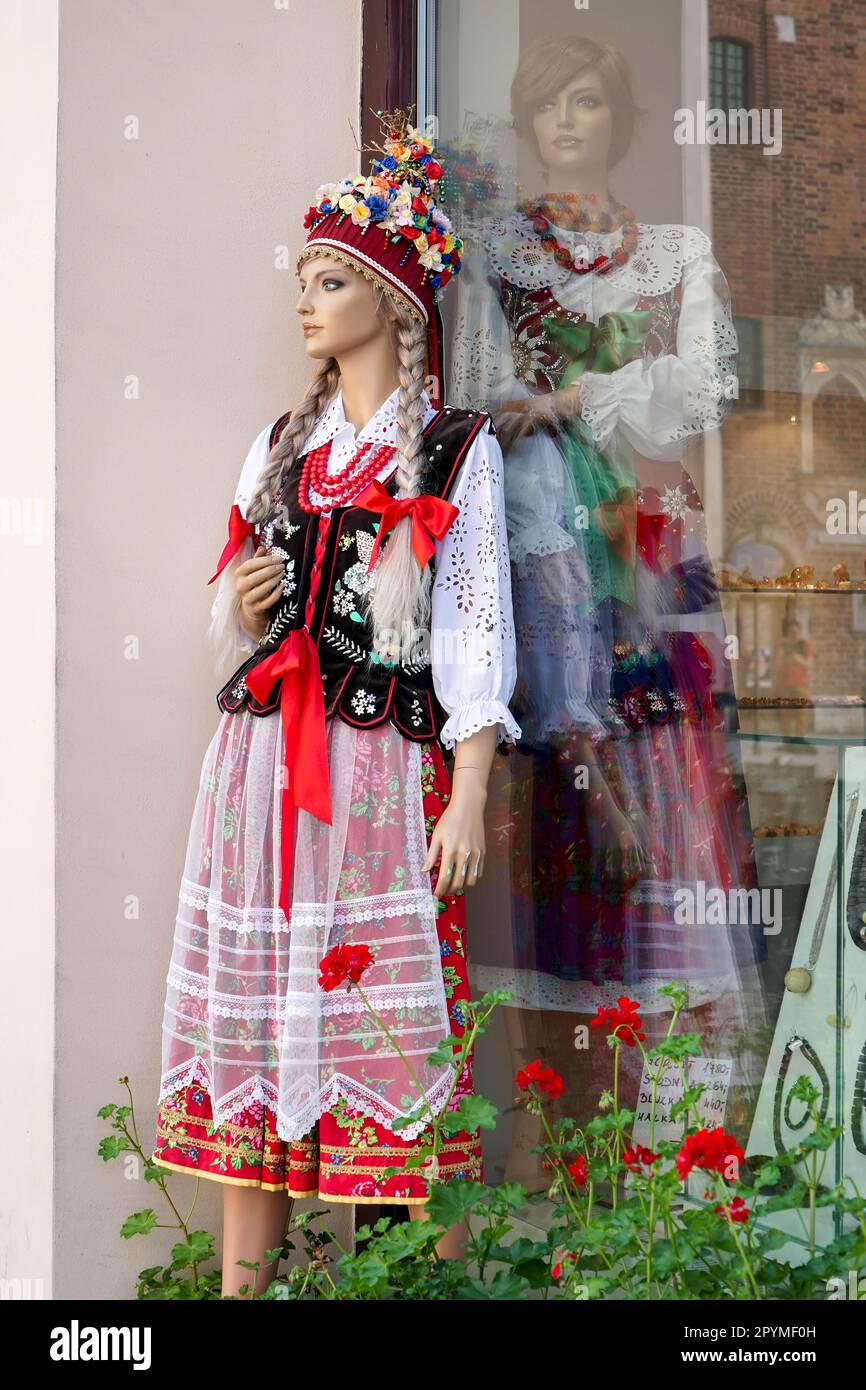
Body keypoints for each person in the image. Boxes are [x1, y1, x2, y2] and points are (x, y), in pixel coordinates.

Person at [150, 111, 521, 1294]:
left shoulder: (456, 448)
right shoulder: (278, 446)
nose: (304, 304)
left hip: (377, 777)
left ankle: (424, 1287)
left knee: (393, 1036)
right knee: (258, 1024)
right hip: (259, 773)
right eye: (303, 280)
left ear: (392, 298)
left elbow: (471, 633)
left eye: (328, 280)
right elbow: (238, 617)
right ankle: (239, 1292)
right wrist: (243, 598)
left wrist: (468, 792)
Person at [448, 36, 767, 1182]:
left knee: (657, 810)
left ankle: (655, 1166)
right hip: (544, 583)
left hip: (646, 562)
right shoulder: (492, 255)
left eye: (587, 101)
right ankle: (554, 1152)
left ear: (619, 119)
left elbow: (710, 387)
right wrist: (532, 417)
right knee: (552, 830)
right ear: (526, 121)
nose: (566, 121)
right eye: (547, 105)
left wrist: (582, 395)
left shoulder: (674, 254)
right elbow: (472, 402)